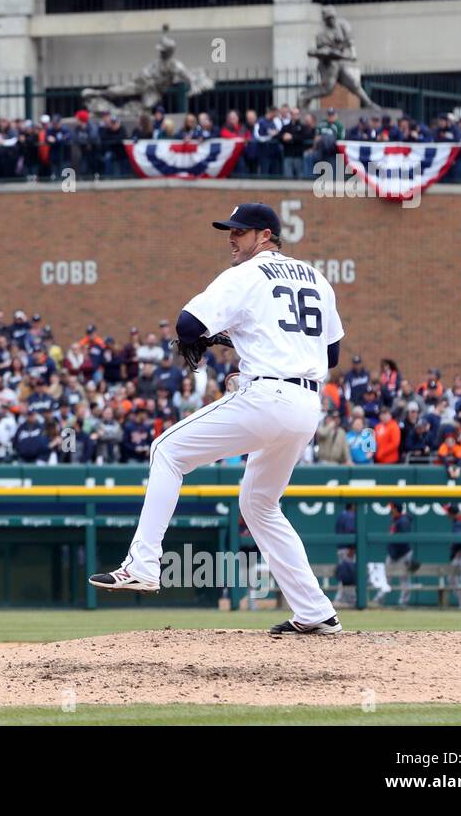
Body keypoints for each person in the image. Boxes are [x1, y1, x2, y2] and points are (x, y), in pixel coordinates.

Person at [88, 202, 345, 636]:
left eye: (240, 231)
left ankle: (143, 566)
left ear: (265, 235)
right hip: (306, 407)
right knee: (260, 503)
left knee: (166, 451)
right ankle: (315, 611)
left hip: (267, 396)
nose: (231, 237)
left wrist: (217, 338)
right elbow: (332, 354)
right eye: (230, 230)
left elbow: (187, 325)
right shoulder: (317, 278)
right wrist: (244, 341)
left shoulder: (247, 275)